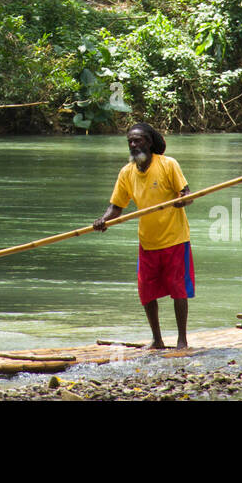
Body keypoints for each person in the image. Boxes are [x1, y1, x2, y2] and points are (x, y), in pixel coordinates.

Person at [92, 122, 193, 349]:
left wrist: (182, 201)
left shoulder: (168, 165)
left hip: (175, 238)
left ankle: (182, 340)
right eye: (130, 141)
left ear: (149, 142)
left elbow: (186, 194)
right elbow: (116, 207)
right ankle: (157, 339)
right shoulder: (127, 173)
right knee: (146, 292)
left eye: (137, 140)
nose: (133, 144)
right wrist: (103, 220)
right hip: (148, 242)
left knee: (178, 290)